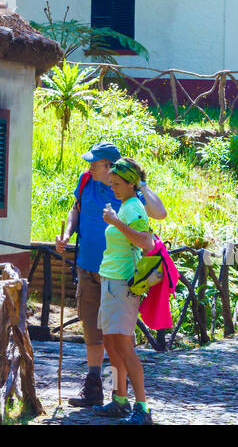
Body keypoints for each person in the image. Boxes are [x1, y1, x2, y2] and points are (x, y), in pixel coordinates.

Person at [55, 142, 166, 407]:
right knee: (95, 331)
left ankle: (126, 395)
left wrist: (140, 183)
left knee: (119, 340)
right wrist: (67, 234)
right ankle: (98, 389)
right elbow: (76, 210)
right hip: (90, 267)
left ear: (109, 166)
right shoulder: (86, 182)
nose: (89, 167)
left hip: (120, 278)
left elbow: (158, 215)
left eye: (94, 163)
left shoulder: (127, 195)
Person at [96, 156, 156, 424]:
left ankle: (142, 407)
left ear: (132, 184)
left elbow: (146, 241)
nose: (113, 187)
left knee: (124, 346)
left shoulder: (133, 208)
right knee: (111, 344)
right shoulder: (126, 206)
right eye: (111, 182)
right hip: (111, 283)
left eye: (117, 183)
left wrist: (115, 222)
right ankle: (120, 399)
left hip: (122, 285)